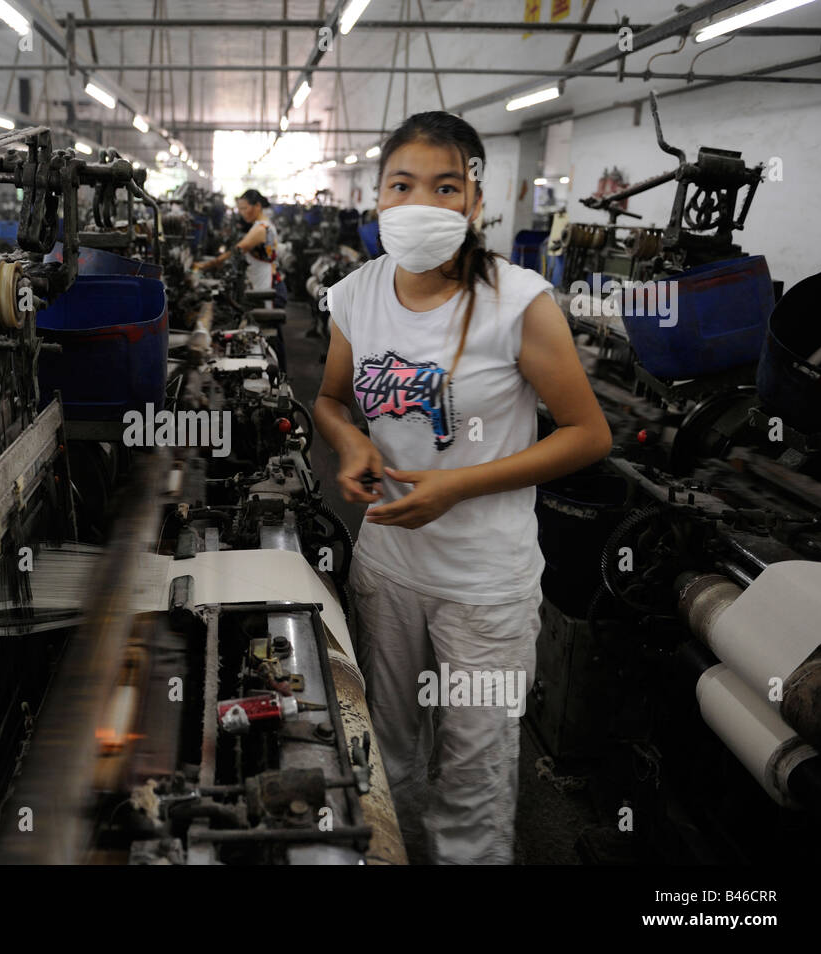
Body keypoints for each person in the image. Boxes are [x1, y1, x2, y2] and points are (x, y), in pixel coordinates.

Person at [313, 111, 612, 864]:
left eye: (446, 186)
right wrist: (350, 441)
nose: (423, 202)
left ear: (476, 202)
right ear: (377, 199)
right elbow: (330, 398)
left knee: (475, 765)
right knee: (389, 751)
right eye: (402, 184)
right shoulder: (354, 295)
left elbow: (588, 434)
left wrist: (458, 486)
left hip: (484, 585)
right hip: (388, 570)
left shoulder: (519, 302)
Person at [194, 188, 286, 307]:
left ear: (257, 206)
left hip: (269, 287)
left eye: (244, 208)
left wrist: (206, 265)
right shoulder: (262, 225)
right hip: (264, 282)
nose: (241, 213)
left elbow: (237, 250)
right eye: (240, 209)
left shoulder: (261, 228)